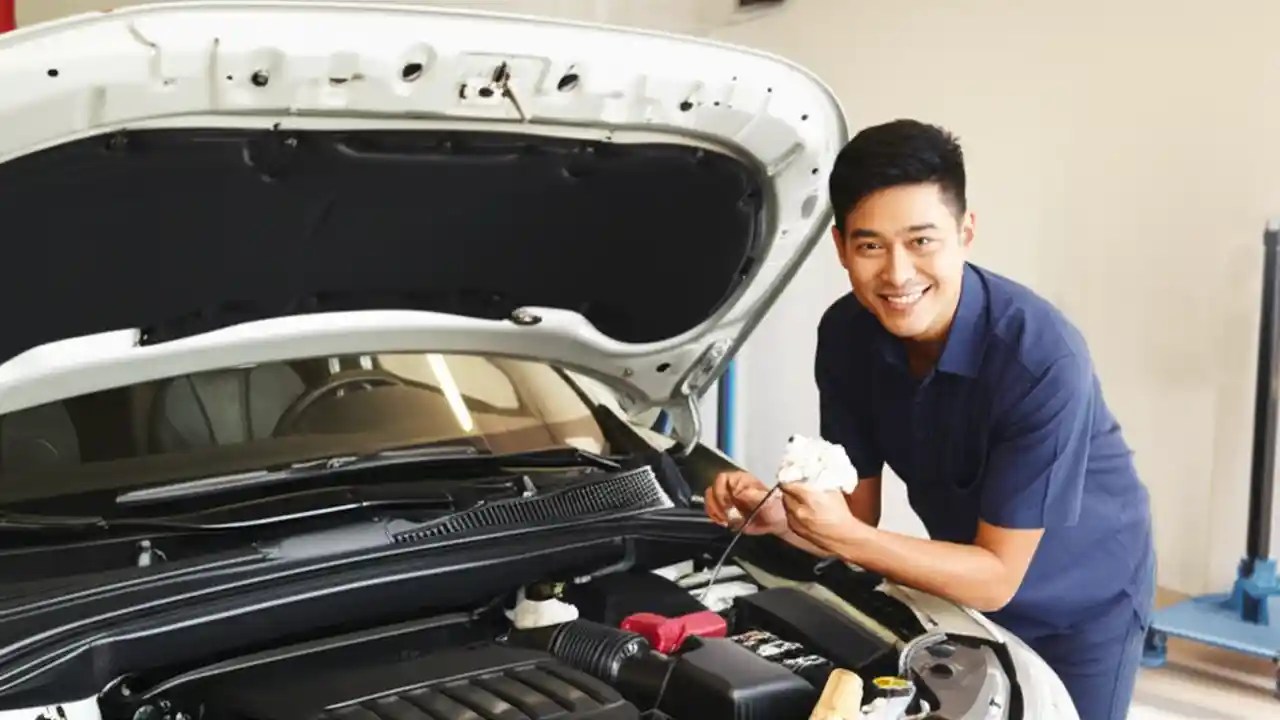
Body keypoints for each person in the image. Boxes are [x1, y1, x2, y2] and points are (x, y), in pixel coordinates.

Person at [705, 119, 1156, 720]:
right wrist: (782, 516)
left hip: (1082, 602)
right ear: (841, 247)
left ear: (965, 232)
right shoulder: (846, 335)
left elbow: (996, 577)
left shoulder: (1041, 357)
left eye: (921, 241)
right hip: (955, 589)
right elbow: (854, 514)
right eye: (870, 245)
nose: (897, 274)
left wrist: (849, 536)